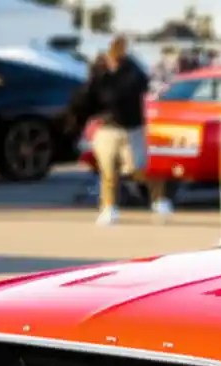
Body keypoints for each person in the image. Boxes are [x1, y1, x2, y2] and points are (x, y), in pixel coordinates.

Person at [73, 36, 171, 225]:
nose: (112, 57)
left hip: (132, 128)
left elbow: (136, 88)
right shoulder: (98, 74)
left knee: (137, 169)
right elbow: (88, 99)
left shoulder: (132, 72)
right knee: (108, 171)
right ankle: (109, 208)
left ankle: (159, 199)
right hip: (106, 129)